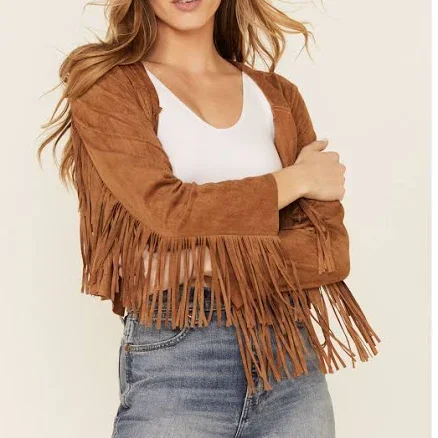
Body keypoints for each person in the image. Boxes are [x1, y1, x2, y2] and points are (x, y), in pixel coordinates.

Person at [37, 1, 371, 437]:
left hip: (290, 362)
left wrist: (199, 262)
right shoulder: (109, 88)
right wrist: (296, 180)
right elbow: (169, 211)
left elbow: (328, 253)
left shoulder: (278, 97)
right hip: (179, 358)